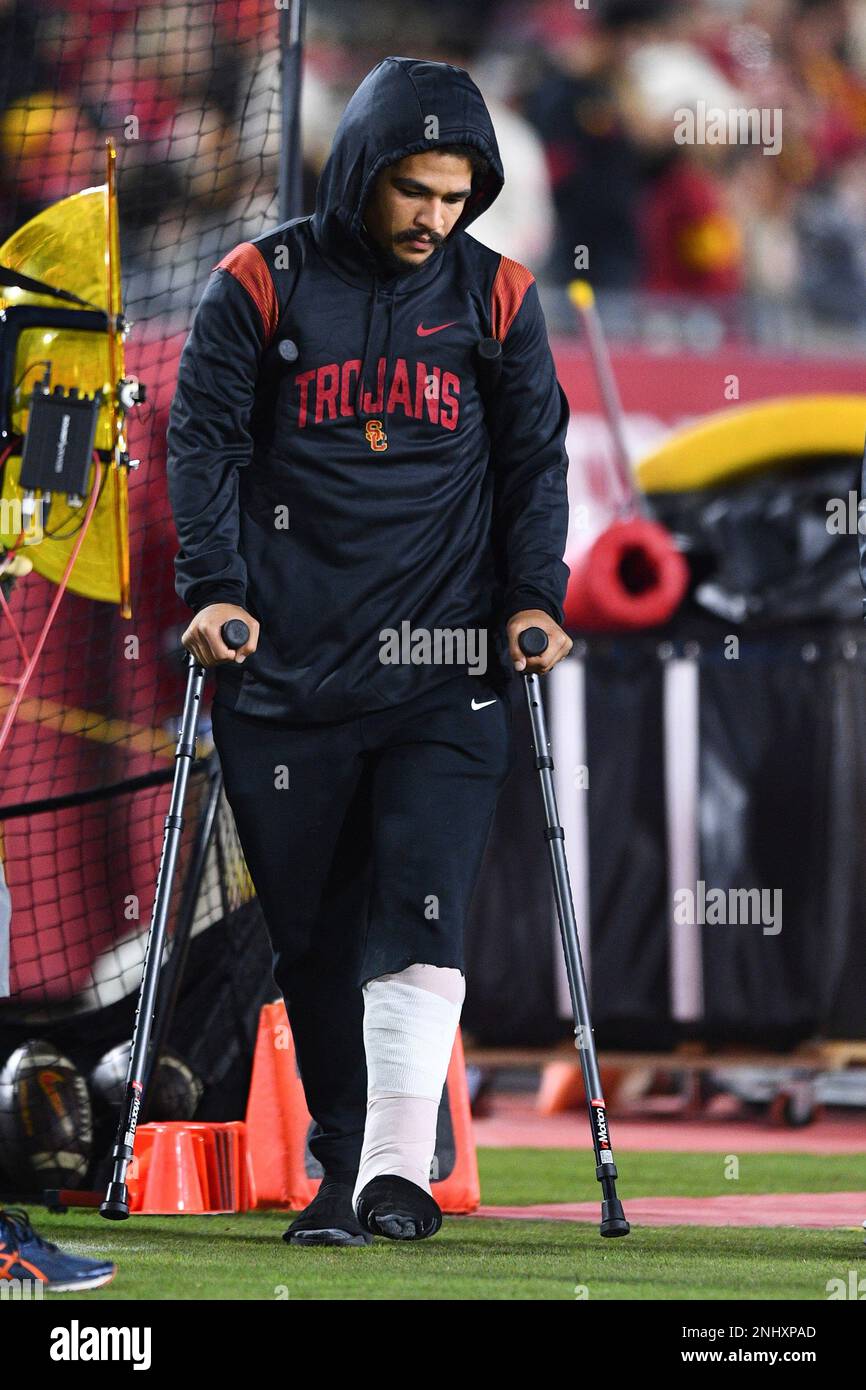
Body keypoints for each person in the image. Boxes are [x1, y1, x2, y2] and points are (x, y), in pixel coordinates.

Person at [166, 55, 572, 1245]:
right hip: (286, 667)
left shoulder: (497, 296)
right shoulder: (257, 283)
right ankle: (342, 1164)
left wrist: (531, 597)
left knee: (421, 893)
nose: (433, 219)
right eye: (412, 191)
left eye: (454, 197)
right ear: (361, 173)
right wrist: (215, 589)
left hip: (447, 663)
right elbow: (204, 447)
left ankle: (396, 1167)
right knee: (315, 934)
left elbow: (531, 464)